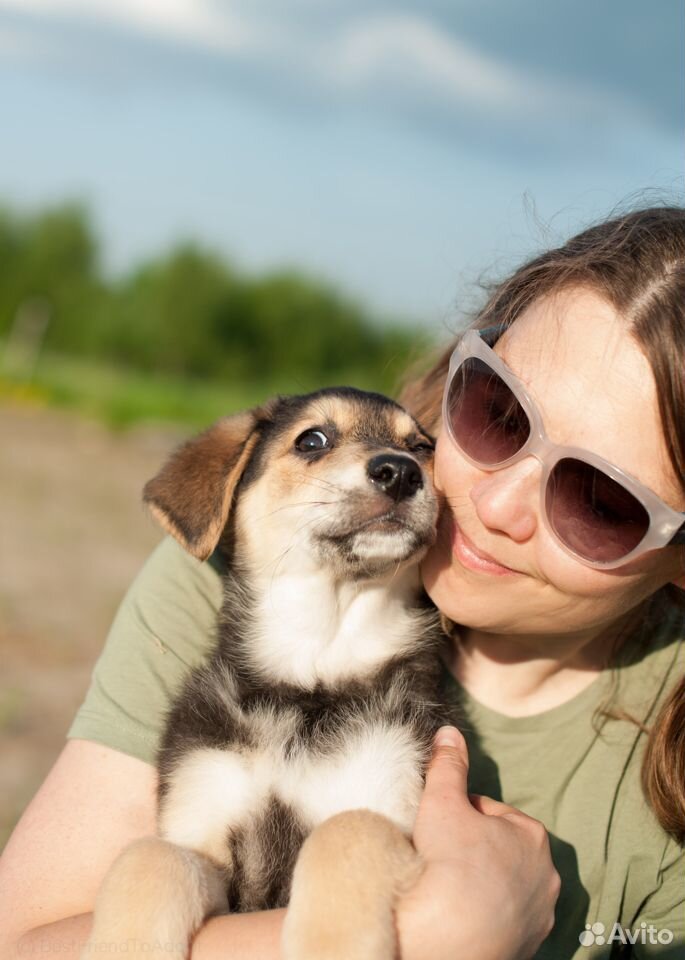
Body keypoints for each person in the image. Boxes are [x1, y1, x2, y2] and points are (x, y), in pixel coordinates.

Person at [1, 205, 683, 960]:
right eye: (499, 412)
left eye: (600, 500)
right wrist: (432, 934)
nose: (491, 506)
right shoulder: (224, 569)